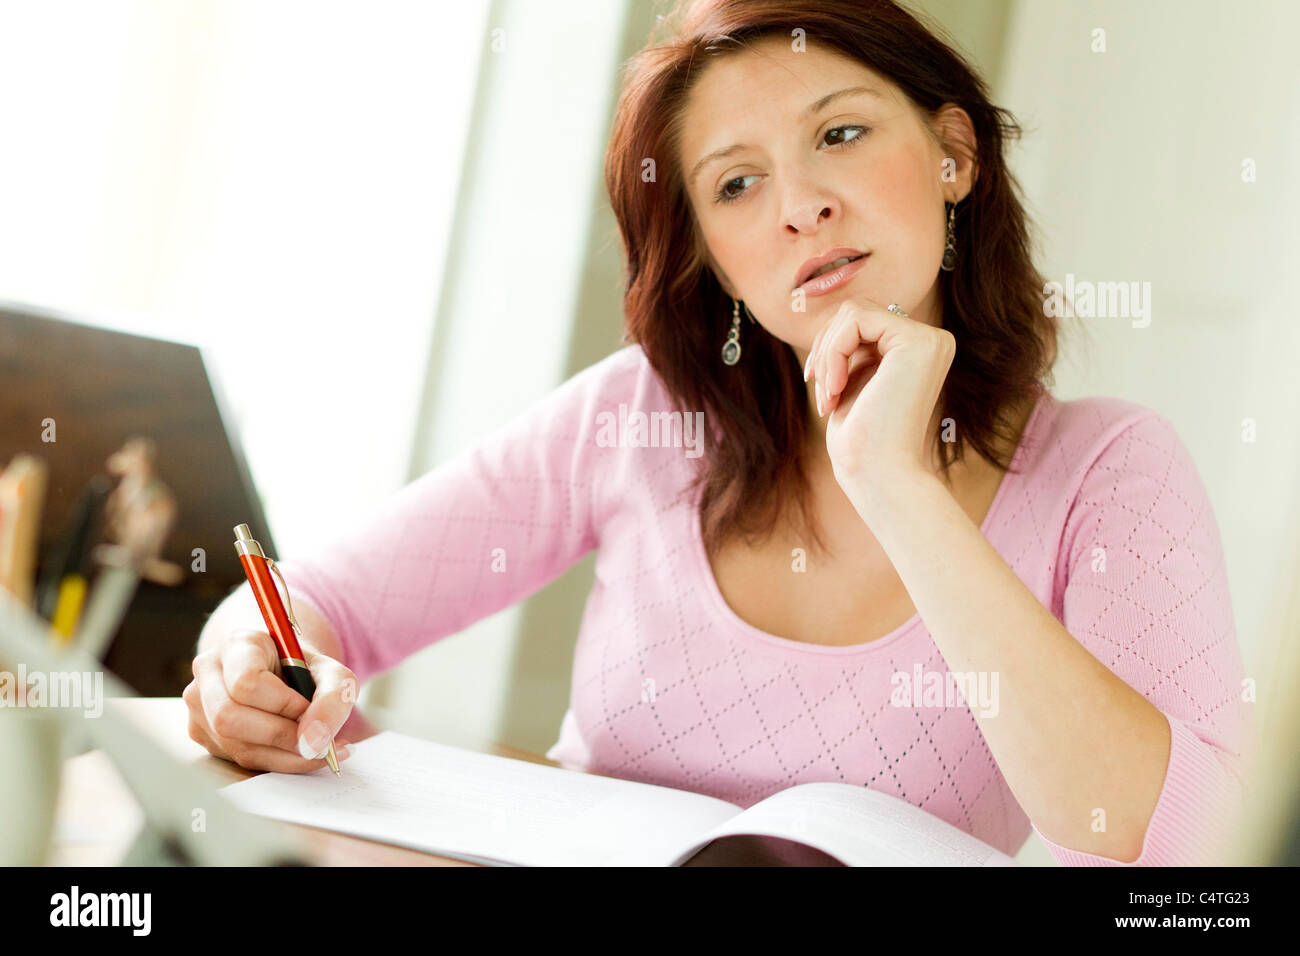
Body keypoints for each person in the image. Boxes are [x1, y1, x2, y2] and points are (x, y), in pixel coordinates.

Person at [185, 0, 1251, 866]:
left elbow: (1181, 850)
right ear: (712, 258)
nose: (800, 207)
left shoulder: (1109, 471)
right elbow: (303, 604)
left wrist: (898, 483)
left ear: (953, 153)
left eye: (840, 133)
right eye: (736, 184)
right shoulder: (641, 414)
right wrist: (247, 674)